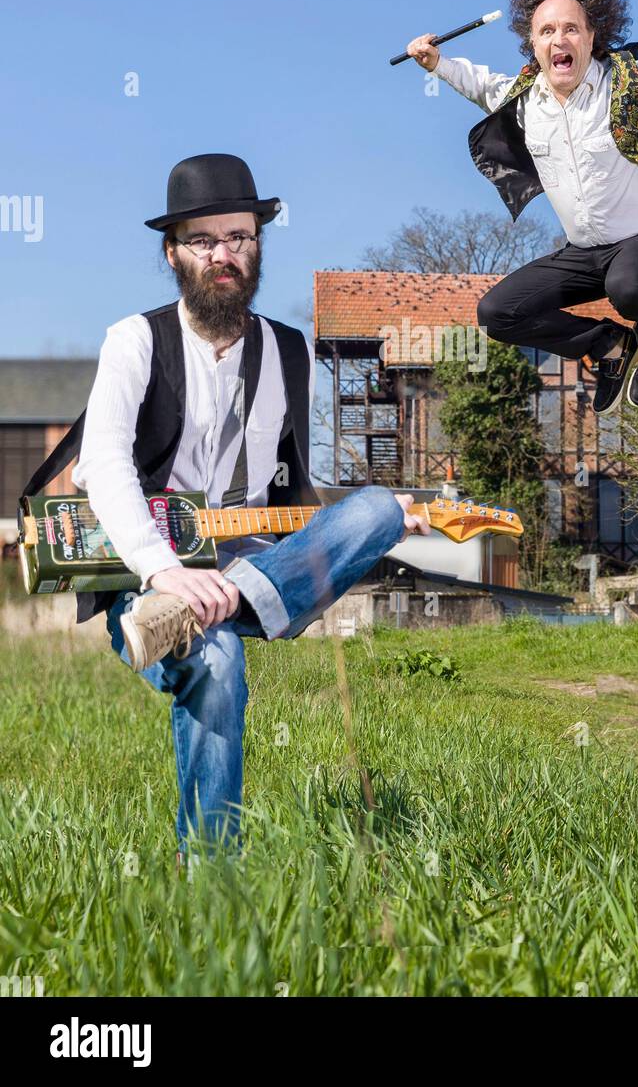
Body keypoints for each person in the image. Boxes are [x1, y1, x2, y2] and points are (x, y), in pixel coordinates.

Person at [26, 153, 429, 854]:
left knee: (376, 509)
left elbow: (287, 496)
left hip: (250, 564)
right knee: (214, 665)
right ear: (173, 252)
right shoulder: (134, 341)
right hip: (146, 578)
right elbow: (107, 466)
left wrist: (373, 520)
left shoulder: (290, 351)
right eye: (204, 240)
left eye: (239, 238)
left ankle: (232, 597)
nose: (225, 254)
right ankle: (213, 883)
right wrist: (165, 573)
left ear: (259, 243)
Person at [405, 0, 638, 411]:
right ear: (533, 45)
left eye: (571, 28)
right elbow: (482, 86)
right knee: (496, 314)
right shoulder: (526, 101)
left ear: (591, 36)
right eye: (547, 31)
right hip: (584, 254)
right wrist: (436, 63)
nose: (559, 39)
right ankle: (608, 345)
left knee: (627, 288)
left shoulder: (629, 84)